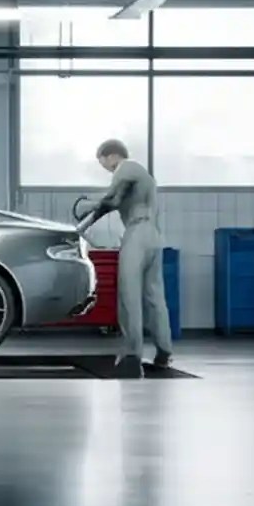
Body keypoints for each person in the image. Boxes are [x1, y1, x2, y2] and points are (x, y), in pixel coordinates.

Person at [75, 139, 173, 378]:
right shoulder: (142, 176)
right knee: (154, 296)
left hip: (137, 234)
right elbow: (111, 203)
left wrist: (85, 204)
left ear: (110, 156)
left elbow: (111, 199)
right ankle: (164, 351)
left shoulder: (126, 167)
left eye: (105, 164)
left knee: (128, 294)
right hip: (154, 236)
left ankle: (132, 354)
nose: (107, 169)